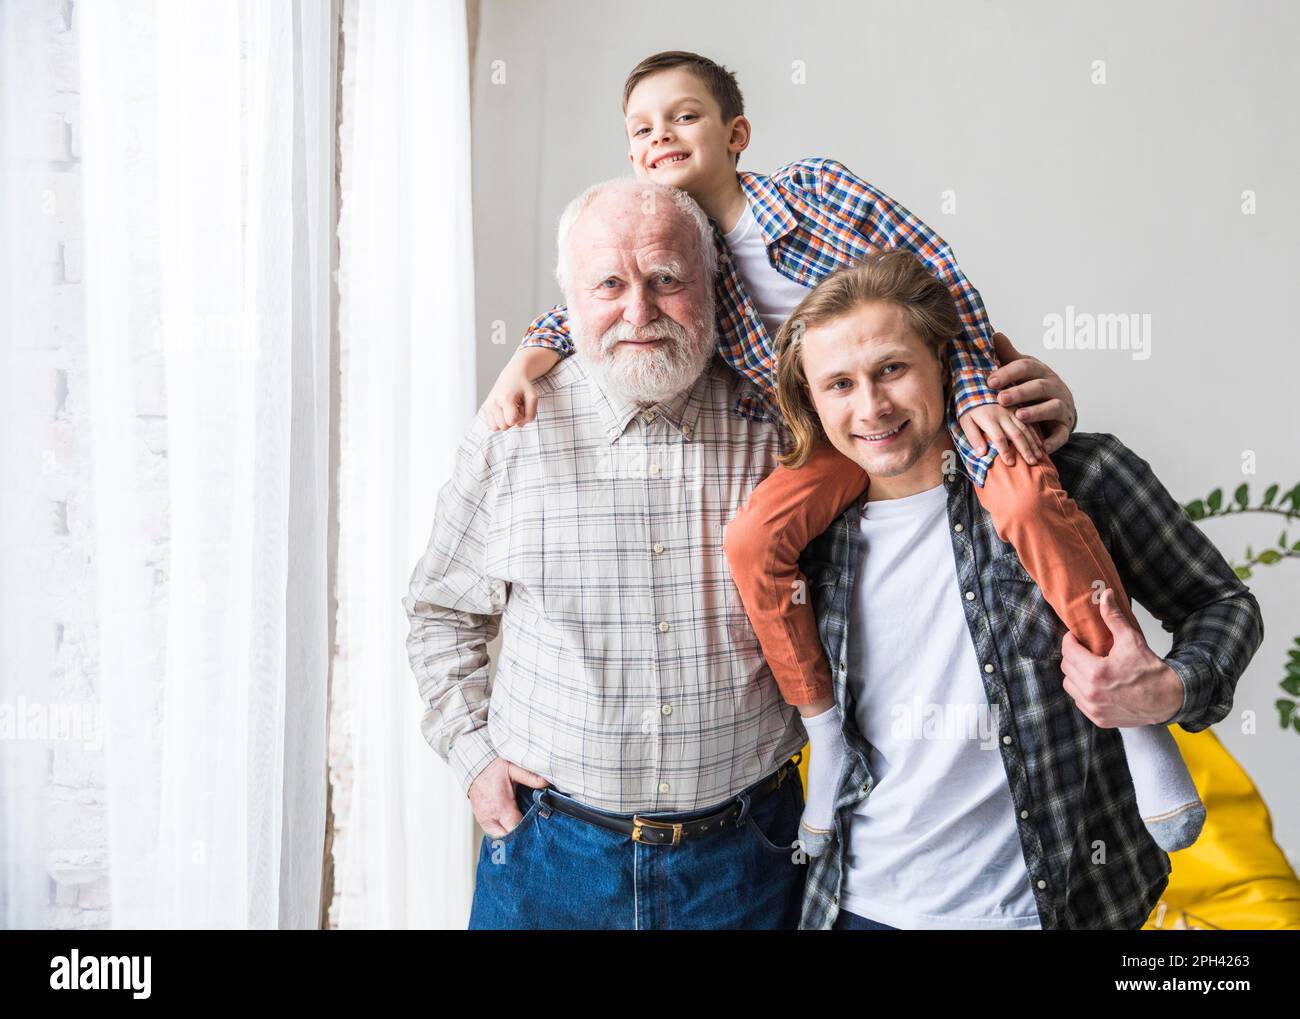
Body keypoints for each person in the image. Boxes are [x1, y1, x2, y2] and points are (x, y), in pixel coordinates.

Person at [479, 49, 1205, 855]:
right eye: (642, 130)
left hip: (937, 388)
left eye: (683, 116)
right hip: (830, 432)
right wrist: (525, 360)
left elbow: (940, 274)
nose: (663, 137)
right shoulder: (686, 258)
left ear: (736, 132)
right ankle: (825, 736)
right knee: (752, 541)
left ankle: (1132, 709)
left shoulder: (817, 189)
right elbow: (597, 295)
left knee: (1028, 501)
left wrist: (971, 393)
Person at [403, 180, 1077, 929]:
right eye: (608, 285)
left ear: (715, 282)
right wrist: (472, 758)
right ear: (569, 301)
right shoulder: (512, 429)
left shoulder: (795, 420)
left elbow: (904, 388)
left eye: (667, 279)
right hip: (550, 859)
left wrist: (1025, 404)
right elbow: (439, 612)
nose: (639, 311)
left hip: (748, 860)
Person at [776, 250, 1263, 929]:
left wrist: (1172, 688)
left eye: (892, 369)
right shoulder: (807, 535)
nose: (872, 406)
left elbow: (1223, 604)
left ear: (944, 362)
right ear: (812, 399)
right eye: (839, 384)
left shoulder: (1079, 477)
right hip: (856, 908)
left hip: (1058, 908)